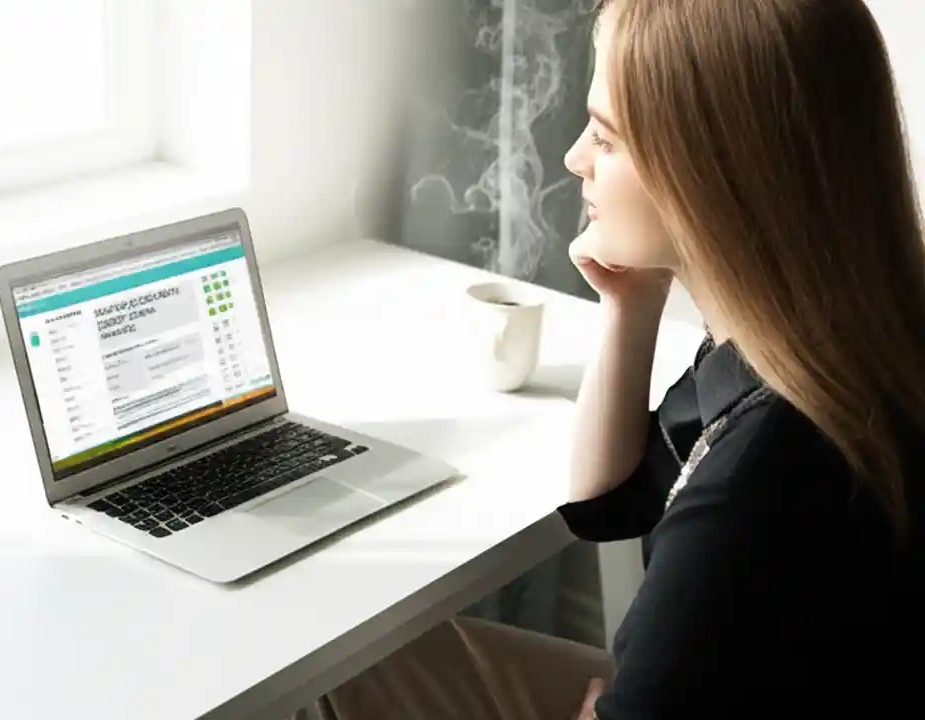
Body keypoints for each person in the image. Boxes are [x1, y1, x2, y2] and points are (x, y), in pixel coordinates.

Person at [295, 0, 925, 717]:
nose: (573, 158)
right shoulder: (821, 341)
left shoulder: (757, 481)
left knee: (344, 671)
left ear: (708, 174)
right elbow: (607, 504)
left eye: (605, 136)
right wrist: (631, 303)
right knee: (371, 657)